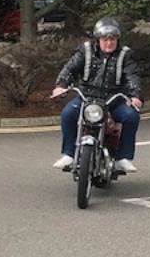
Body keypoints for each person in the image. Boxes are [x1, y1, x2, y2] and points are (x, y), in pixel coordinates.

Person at [51, 17, 142, 172]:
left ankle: (123, 158)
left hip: (114, 99)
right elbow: (70, 68)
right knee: (68, 113)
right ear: (98, 39)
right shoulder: (85, 51)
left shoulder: (125, 55)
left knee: (131, 116)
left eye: (112, 39)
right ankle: (69, 154)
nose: (108, 43)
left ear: (117, 40)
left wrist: (135, 96)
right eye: (105, 39)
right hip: (87, 97)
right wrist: (61, 86)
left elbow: (132, 76)